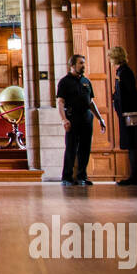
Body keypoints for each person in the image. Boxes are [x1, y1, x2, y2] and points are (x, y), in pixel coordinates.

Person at [56, 53, 105, 186]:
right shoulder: (64, 82)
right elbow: (60, 102)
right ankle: (66, 177)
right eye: (80, 63)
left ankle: (82, 176)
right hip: (72, 117)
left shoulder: (86, 82)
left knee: (85, 148)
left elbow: (91, 102)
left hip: (86, 118)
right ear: (72, 65)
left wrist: (100, 118)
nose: (83, 66)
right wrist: (64, 119)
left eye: (83, 63)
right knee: (71, 148)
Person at [109, 46, 137, 186]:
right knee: (130, 145)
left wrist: (126, 111)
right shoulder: (121, 72)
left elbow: (131, 93)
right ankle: (133, 175)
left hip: (129, 114)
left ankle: (135, 176)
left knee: (133, 144)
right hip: (124, 114)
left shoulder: (125, 72)